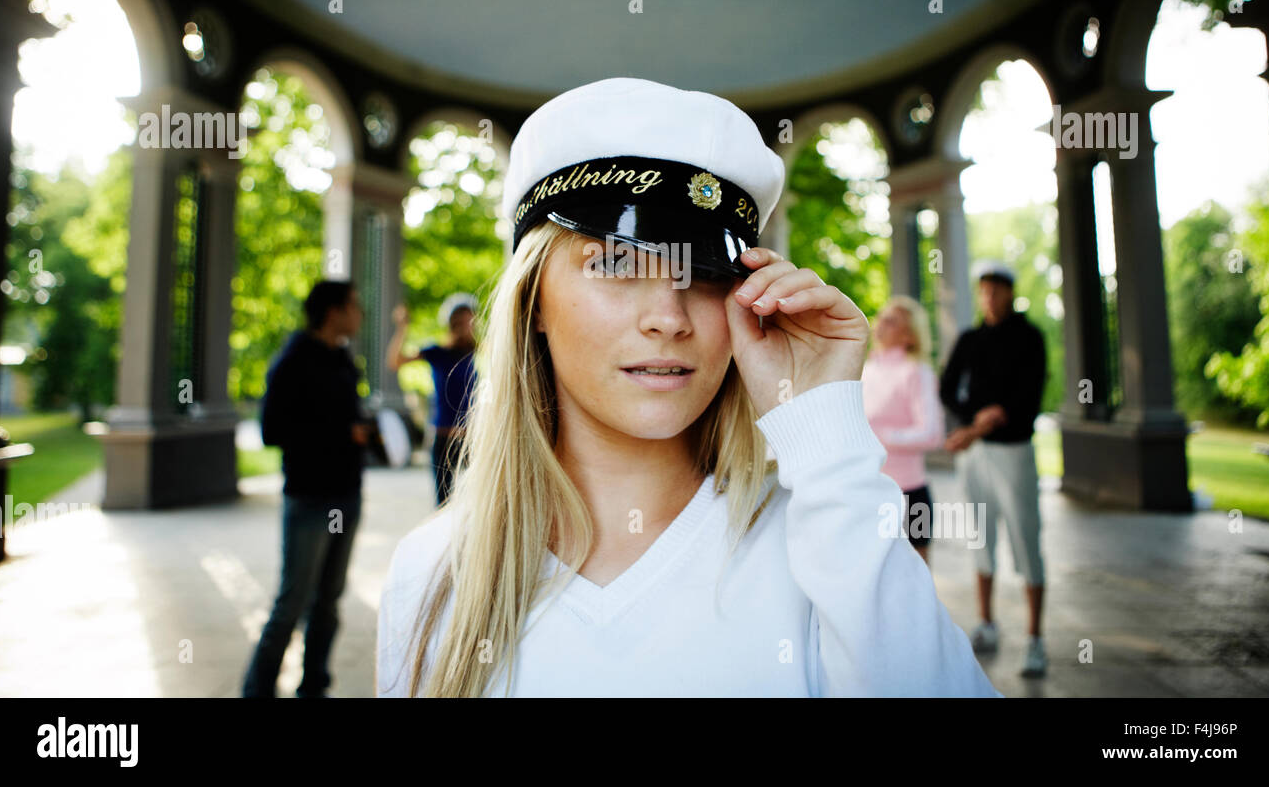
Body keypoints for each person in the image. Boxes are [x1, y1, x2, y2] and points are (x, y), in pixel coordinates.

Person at [375, 77, 999, 697]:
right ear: (534, 298)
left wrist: (822, 431)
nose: (669, 318)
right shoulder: (429, 574)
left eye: (703, 272)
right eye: (616, 262)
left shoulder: (822, 546)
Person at [241, 280, 373, 698]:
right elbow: (271, 430)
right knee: (291, 602)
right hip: (310, 498)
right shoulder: (293, 361)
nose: (360, 313)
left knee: (329, 601)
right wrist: (341, 432)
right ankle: (257, 691)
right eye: (354, 305)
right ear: (332, 311)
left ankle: (313, 685)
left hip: (346, 496)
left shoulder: (343, 359)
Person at [938, 259, 1048, 679]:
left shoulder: (1030, 337)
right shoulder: (970, 339)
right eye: (984, 289)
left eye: (997, 289)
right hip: (974, 453)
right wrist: (972, 421)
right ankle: (987, 624)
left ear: (1009, 292)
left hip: (1012, 451)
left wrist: (994, 417)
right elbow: (948, 387)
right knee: (980, 536)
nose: (989, 296)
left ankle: (1036, 639)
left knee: (1025, 536)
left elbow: (1030, 396)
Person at [863, 296, 945, 566]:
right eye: (881, 317)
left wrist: (881, 435)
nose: (880, 324)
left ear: (909, 336)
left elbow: (931, 434)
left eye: (892, 320)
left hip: (909, 496)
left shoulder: (917, 372)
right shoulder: (866, 369)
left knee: (916, 585)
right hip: (868, 491)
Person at [386, 294, 478, 507]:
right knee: (443, 504)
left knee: (477, 503)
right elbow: (395, 361)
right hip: (443, 438)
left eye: (469, 320)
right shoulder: (437, 352)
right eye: (461, 321)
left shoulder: (472, 352)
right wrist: (402, 329)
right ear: (451, 323)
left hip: (469, 439)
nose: (466, 326)